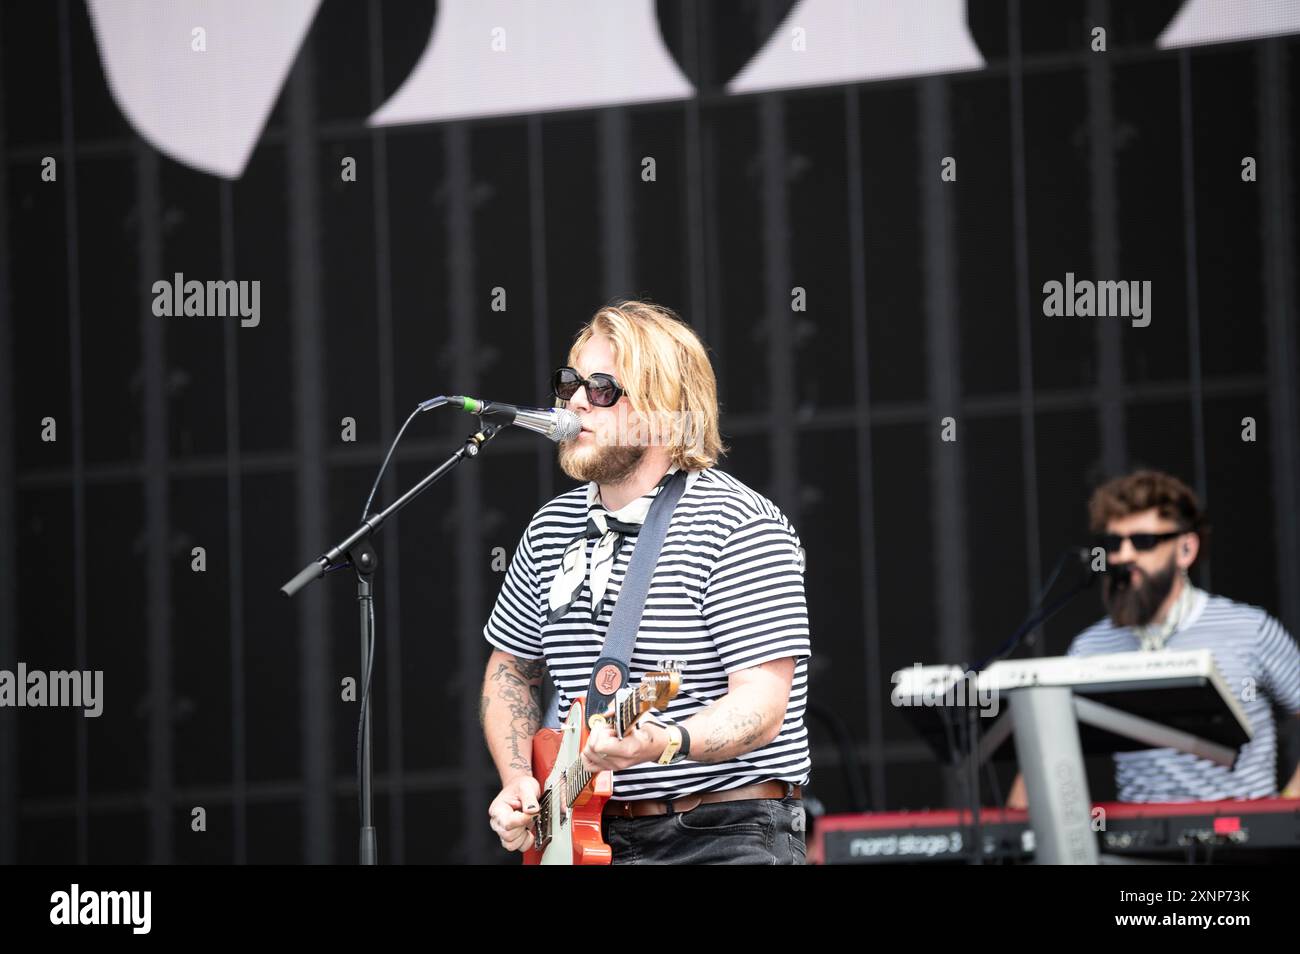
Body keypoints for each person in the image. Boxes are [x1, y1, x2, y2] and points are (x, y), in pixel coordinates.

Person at [479, 299, 812, 864]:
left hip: (723, 834)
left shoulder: (738, 523)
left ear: (663, 408)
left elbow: (761, 703)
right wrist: (518, 781)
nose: (576, 401)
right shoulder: (550, 526)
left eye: (603, 388)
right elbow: (511, 669)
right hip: (590, 834)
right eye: (569, 384)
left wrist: (667, 741)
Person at [1008, 470, 1300, 807]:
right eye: (1115, 543)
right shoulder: (1091, 647)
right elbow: (1047, 744)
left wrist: (1287, 807)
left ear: (1186, 549)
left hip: (1246, 843)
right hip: (1140, 849)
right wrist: (1012, 840)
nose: (1124, 556)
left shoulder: (1250, 628)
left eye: (1143, 542)